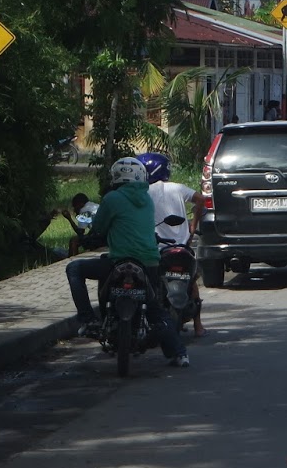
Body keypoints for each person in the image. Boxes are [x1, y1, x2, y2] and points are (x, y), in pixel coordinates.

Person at [67, 156, 189, 366]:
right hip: (148, 263)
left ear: (115, 177)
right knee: (155, 309)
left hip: (118, 262)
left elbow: (99, 227)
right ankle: (179, 353)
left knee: (74, 268)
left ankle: (88, 320)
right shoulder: (146, 199)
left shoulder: (112, 199)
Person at [136, 152, 205, 337]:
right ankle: (198, 326)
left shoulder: (143, 193)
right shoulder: (178, 188)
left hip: (158, 247)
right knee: (192, 280)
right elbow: (201, 199)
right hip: (183, 246)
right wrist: (193, 225)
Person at [56, 192, 98, 257]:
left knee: (74, 241)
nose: (74, 210)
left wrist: (69, 218)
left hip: (100, 237)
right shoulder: (95, 206)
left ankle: (72, 260)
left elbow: (80, 232)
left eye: (75, 207)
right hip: (106, 234)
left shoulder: (84, 210)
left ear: (80, 204)